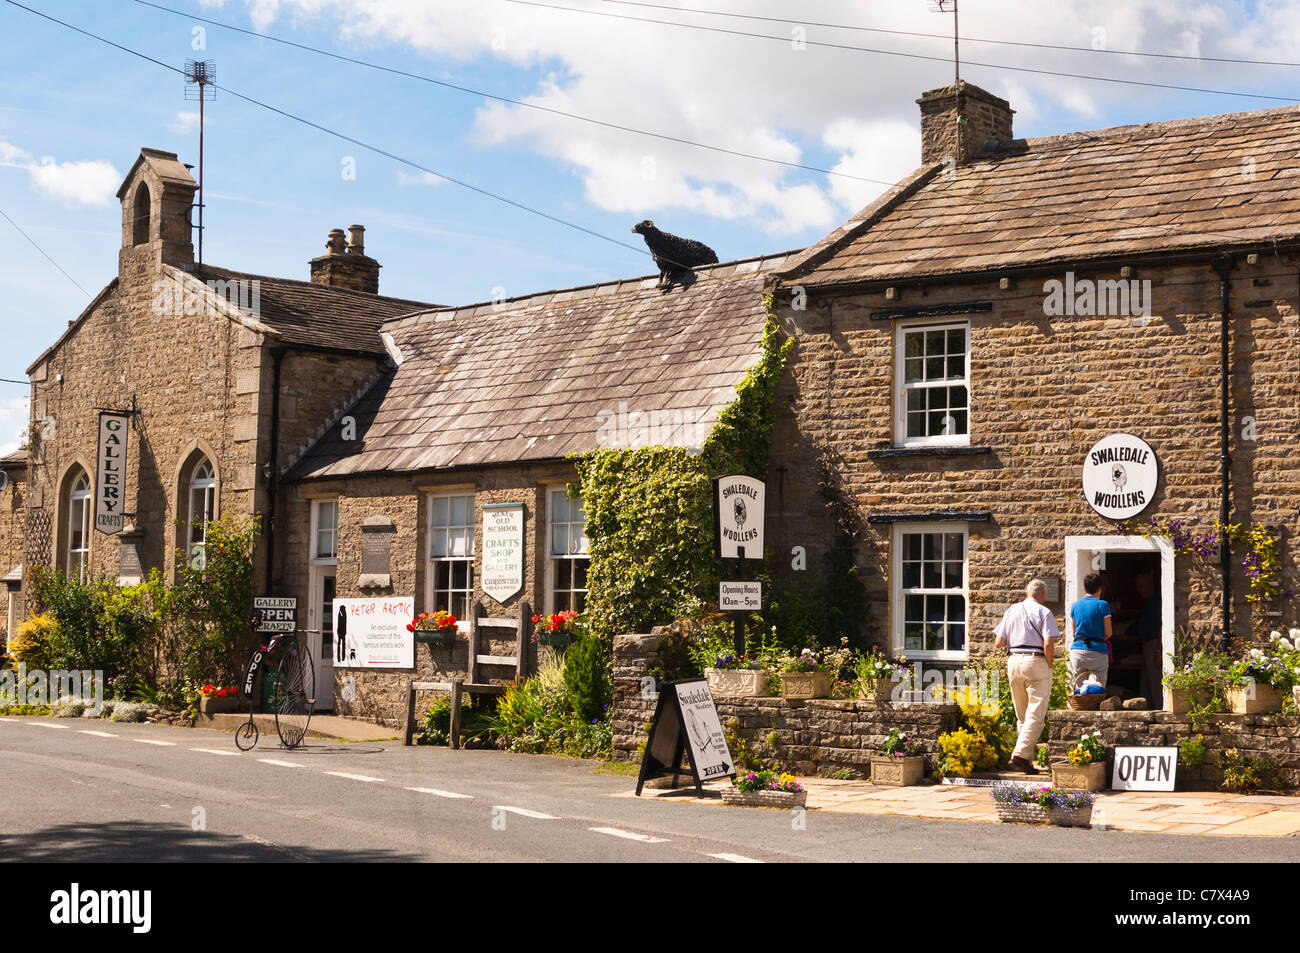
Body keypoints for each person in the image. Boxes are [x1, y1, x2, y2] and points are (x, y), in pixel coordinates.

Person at [994, 578, 1060, 774]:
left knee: (1022, 715)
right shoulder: (1044, 612)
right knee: (1036, 714)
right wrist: (1049, 665)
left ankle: (1026, 762)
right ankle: (1020, 755)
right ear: (1042, 595)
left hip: (1013, 660)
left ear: (1026, 593)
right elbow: (1048, 643)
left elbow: (999, 642)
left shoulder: (1012, 610)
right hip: (1035, 660)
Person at [1067, 572, 1111, 692]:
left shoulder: (1075, 605)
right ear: (1100, 588)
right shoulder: (1103, 605)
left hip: (1077, 651)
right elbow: (1108, 632)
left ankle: (1081, 708)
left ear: (1084, 587)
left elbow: (1073, 631)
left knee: (1079, 689)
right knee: (1098, 689)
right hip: (1097, 651)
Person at [1131, 570, 1162, 706]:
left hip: (1154, 645)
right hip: (1146, 645)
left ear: (1150, 585)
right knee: (1147, 684)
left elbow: (1162, 626)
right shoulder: (1149, 602)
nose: (1139, 590)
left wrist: (1158, 651)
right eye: (1137, 586)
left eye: (1141, 586)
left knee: (1155, 683)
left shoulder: (1156, 602)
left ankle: (1160, 708)